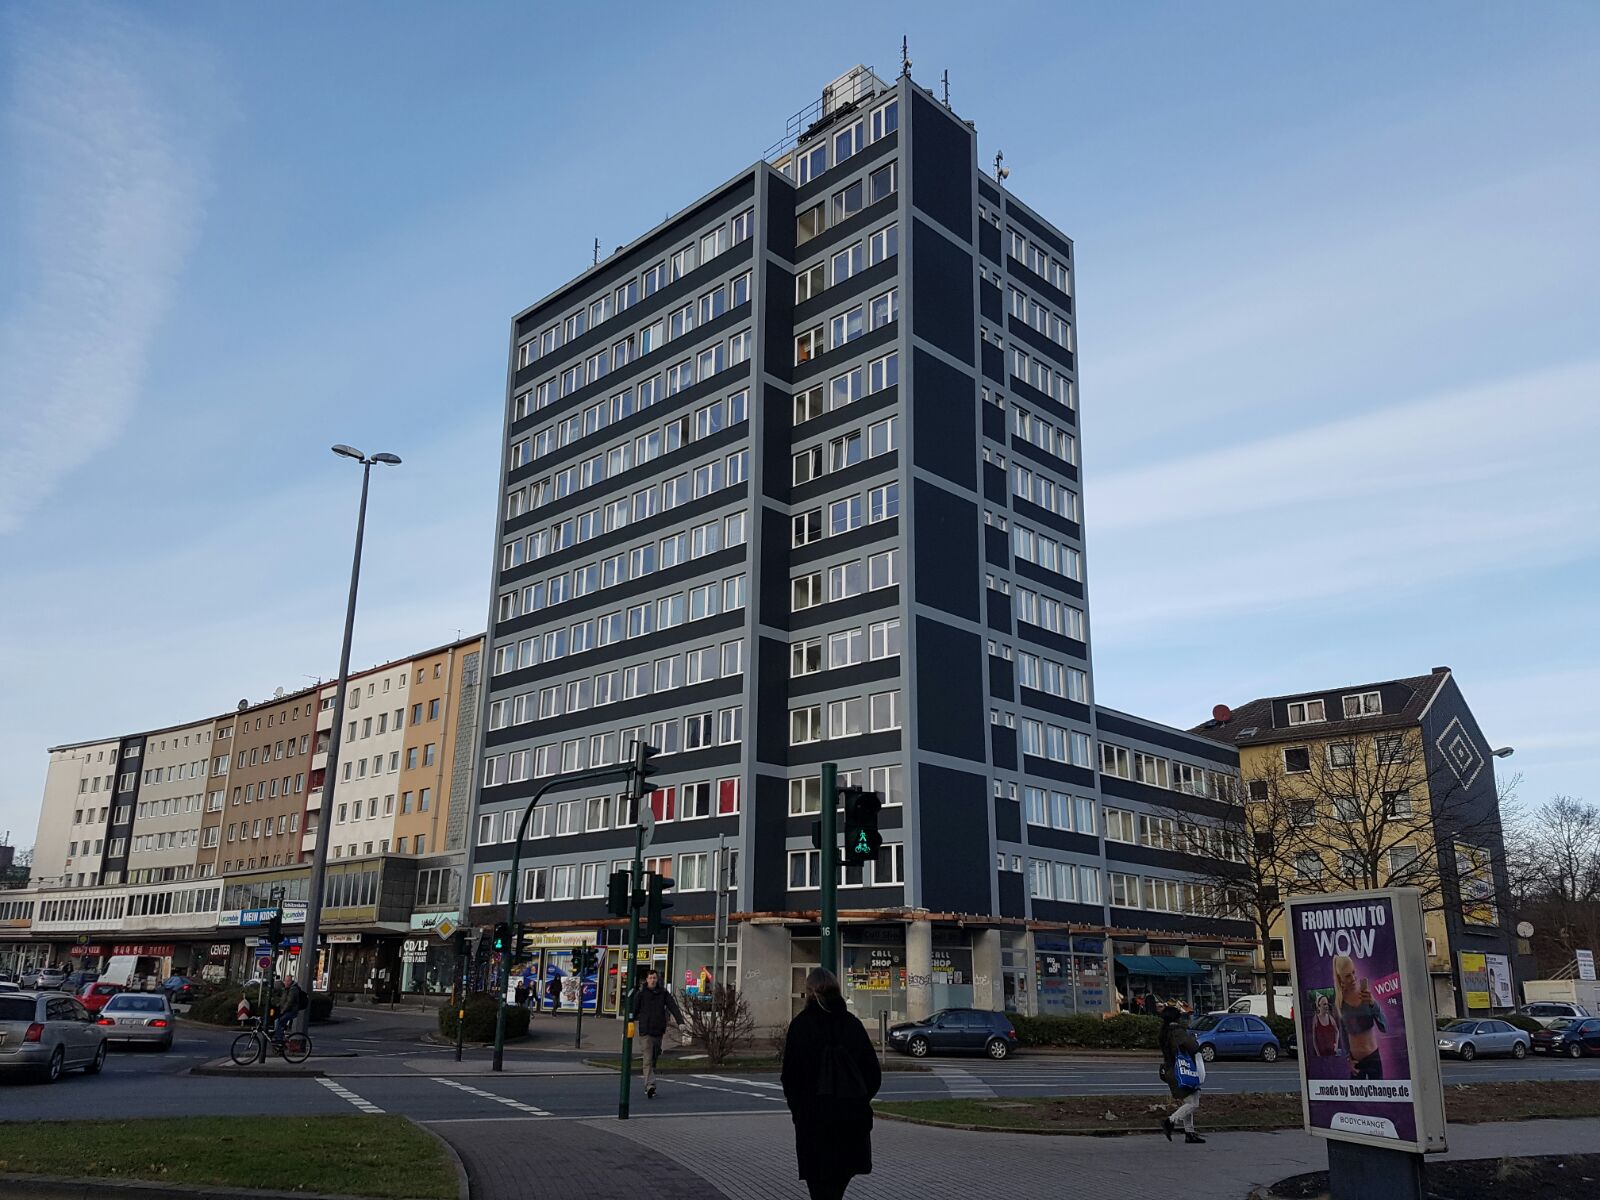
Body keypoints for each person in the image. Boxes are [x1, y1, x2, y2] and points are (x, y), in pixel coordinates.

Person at [781, 967, 882, 1200]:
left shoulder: (801, 1027)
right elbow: (873, 1074)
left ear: (810, 993)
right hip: (850, 1125)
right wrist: (857, 1100)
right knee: (837, 1187)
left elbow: (790, 1078)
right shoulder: (852, 1025)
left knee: (820, 1189)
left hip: (813, 1126)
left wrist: (799, 1111)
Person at [629, 967, 682, 1099]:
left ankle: (650, 1080)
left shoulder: (663, 993)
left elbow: (673, 1006)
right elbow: (633, 1011)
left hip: (658, 1030)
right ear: (646, 980)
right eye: (650, 978)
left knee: (654, 1056)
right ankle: (650, 1085)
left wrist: (680, 1021)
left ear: (657, 980)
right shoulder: (641, 994)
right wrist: (628, 1024)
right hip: (645, 1030)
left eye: (654, 978)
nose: (652, 980)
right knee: (647, 1058)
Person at [1157, 1006, 1206, 1144]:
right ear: (1176, 1018)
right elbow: (1193, 1046)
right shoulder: (1177, 1032)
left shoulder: (1164, 1032)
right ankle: (1170, 1121)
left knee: (1190, 1100)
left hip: (1171, 1070)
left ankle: (1189, 1133)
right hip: (1182, 1070)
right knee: (1194, 1103)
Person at [1333, 954, 1385, 1079]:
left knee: (1379, 1096)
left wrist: (1373, 1005)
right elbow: (1341, 1035)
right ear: (1340, 979)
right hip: (1355, 1062)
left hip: (1373, 1058)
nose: (1353, 978)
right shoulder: (1339, 1003)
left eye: (1353, 972)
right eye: (1347, 975)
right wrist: (1347, 1060)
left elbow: (1384, 1027)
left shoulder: (1366, 996)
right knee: (1358, 1098)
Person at [274, 976, 306, 1042]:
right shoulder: (285, 989)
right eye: (285, 981)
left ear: (291, 981)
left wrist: (282, 1011)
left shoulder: (293, 989)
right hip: (287, 1010)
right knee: (278, 1023)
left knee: (278, 1022)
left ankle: (279, 1040)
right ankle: (281, 1039)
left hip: (291, 1011)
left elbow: (289, 1002)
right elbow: (282, 1000)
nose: (286, 982)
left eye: (288, 981)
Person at [1311, 993, 1340, 1057]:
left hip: (1332, 1052)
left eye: (1327, 1004)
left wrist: (1336, 1044)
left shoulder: (1330, 1018)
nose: (1326, 1006)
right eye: (1324, 1004)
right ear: (1319, 1006)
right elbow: (1314, 1038)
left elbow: (1337, 1031)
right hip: (1321, 1054)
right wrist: (1318, 1053)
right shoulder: (1315, 1019)